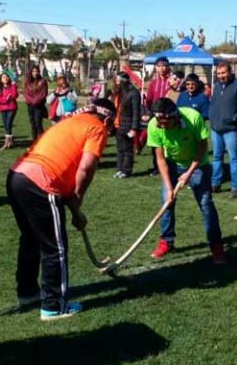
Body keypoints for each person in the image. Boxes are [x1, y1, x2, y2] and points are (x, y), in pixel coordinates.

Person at [7, 98, 117, 320]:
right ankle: (53, 305)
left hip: (16, 176)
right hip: (41, 182)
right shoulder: (96, 128)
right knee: (55, 248)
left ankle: (27, 292)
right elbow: (85, 168)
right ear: (107, 119)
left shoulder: (69, 120)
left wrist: (74, 209)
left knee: (31, 239)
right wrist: (77, 199)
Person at [147, 98, 226, 263]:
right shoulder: (154, 125)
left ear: (175, 117)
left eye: (166, 123)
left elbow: (202, 146)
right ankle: (166, 241)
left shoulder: (193, 118)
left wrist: (189, 172)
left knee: (206, 204)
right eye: (160, 123)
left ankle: (216, 246)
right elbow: (160, 159)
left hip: (197, 165)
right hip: (171, 165)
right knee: (166, 202)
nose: (163, 127)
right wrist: (169, 188)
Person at [208, 61, 237, 198]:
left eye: (223, 73)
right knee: (217, 158)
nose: (221, 76)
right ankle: (215, 183)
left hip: (231, 129)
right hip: (216, 128)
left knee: (233, 158)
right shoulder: (216, 86)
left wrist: (236, 117)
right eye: (218, 73)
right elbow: (213, 104)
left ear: (230, 72)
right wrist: (211, 117)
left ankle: (235, 187)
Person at [143, 57, 174, 175]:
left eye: (165, 66)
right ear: (156, 68)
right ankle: (157, 166)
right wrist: (148, 112)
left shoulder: (172, 81)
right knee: (155, 143)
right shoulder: (154, 83)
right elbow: (149, 100)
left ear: (168, 67)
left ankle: (170, 166)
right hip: (155, 116)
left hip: (169, 116)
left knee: (169, 141)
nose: (162, 68)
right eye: (160, 66)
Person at [110, 72, 141, 178]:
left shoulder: (134, 93)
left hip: (128, 125)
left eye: (119, 80)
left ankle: (126, 170)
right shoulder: (117, 93)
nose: (117, 83)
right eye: (116, 80)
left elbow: (136, 112)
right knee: (119, 149)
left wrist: (134, 128)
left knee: (128, 149)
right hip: (117, 124)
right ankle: (119, 169)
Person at [0, 72, 19, 150]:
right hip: (3, 109)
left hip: (11, 108)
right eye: (3, 77)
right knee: (6, 126)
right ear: (1, 80)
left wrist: (14, 85)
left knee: (8, 124)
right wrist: (5, 100)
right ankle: (11, 142)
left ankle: (6, 143)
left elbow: (15, 95)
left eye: (7, 76)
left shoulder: (12, 86)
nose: (6, 78)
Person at [23, 65, 48, 140]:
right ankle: (34, 141)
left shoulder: (42, 81)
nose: (35, 73)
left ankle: (42, 140)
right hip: (30, 105)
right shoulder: (28, 82)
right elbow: (26, 93)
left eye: (37, 71)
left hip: (39, 106)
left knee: (38, 123)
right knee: (32, 123)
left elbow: (43, 93)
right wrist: (31, 100)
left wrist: (35, 101)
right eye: (33, 71)